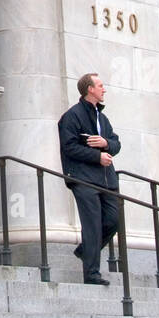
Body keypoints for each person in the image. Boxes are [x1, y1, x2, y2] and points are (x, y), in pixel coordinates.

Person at [57, 72, 120, 285]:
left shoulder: (103, 118)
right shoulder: (72, 116)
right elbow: (69, 147)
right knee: (92, 225)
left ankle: (86, 250)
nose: (104, 89)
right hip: (84, 179)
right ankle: (92, 274)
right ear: (89, 89)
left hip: (107, 180)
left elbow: (116, 143)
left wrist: (105, 144)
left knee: (113, 220)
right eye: (100, 85)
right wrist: (96, 156)